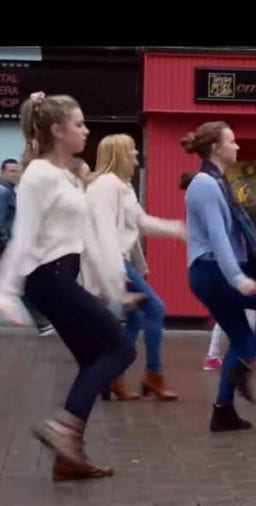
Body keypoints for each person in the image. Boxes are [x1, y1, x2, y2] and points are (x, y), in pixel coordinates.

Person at [0, 92, 138, 481]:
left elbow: (85, 239)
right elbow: (22, 236)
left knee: (94, 359)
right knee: (119, 349)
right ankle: (64, 430)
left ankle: (68, 457)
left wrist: (111, 286)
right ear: (57, 130)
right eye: (79, 124)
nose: (86, 130)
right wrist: (2, 291)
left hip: (60, 277)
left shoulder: (64, 176)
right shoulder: (37, 174)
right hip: (48, 278)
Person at [182, 121, 256, 432]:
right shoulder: (206, 184)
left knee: (241, 337)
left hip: (211, 272)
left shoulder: (215, 182)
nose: (237, 146)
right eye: (232, 142)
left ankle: (223, 410)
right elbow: (218, 235)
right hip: (214, 271)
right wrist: (236, 277)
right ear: (216, 147)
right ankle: (246, 363)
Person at [84, 134, 186, 401]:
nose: (136, 157)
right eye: (132, 153)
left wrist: (176, 229)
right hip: (113, 262)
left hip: (120, 261)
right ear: (119, 154)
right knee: (155, 307)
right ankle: (153, 374)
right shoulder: (106, 186)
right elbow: (104, 232)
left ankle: (113, 375)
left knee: (136, 318)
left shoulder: (122, 186)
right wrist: (117, 275)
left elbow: (142, 222)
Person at [0, 158, 55, 340]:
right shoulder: (1, 191)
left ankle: (43, 323)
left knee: (22, 283)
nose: (16, 174)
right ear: (3, 172)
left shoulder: (8, 191)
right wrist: (7, 245)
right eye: (12, 171)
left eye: (17, 171)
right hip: (0, 246)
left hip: (3, 245)